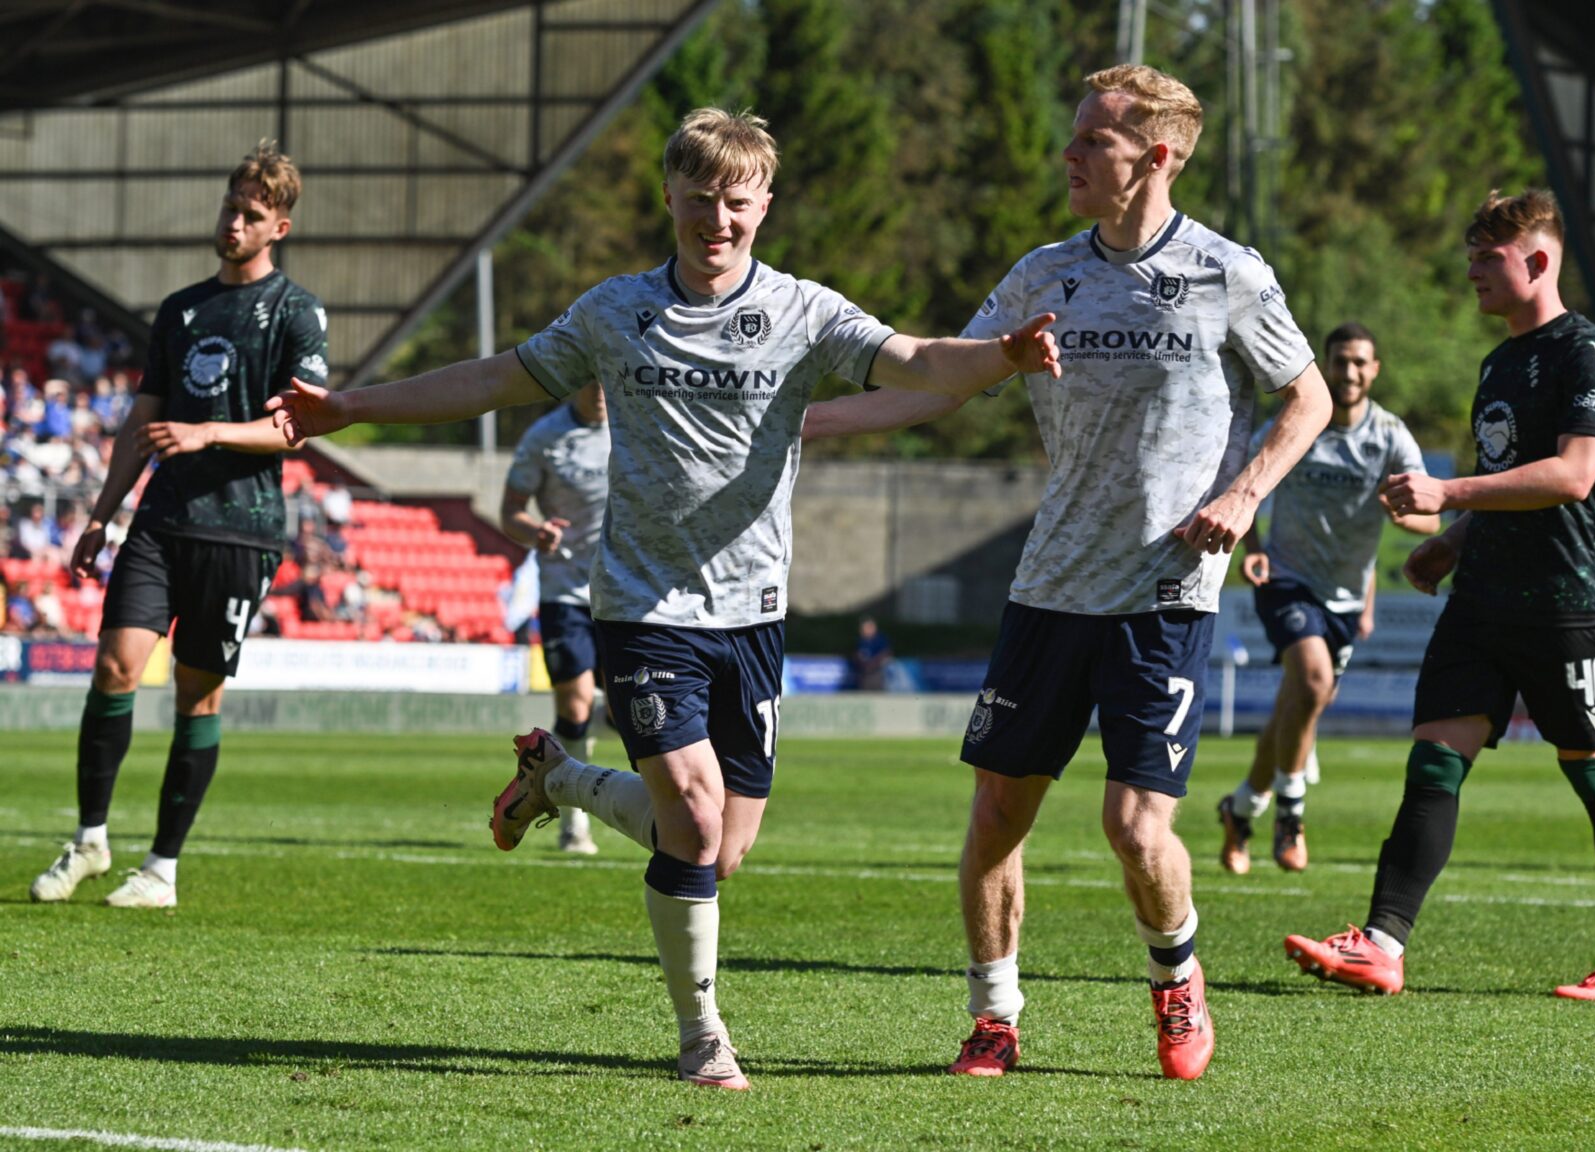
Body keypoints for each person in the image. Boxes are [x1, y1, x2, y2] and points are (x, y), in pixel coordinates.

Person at [265, 107, 1059, 1090]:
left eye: (736, 202)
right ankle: (702, 1034)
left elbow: (923, 362)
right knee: (689, 811)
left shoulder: (806, 310)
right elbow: (493, 379)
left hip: (755, 616)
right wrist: (351, 405)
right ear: (670, 199)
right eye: (699, 201)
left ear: (764, 205)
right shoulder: (613, 312)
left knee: (721, 851)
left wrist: (1003, 358)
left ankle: (557, 779)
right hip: (643, 606)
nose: (716, 221)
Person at [924, 65, 1331, 1082]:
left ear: (1156, 156)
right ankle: (994, 1018)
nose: (1068, 156)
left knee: (1135, 828)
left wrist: (1243, 496)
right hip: (1047, 587)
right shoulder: (1043, 272)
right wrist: (804, 409)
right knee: (996, 819)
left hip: (1164, 592)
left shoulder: (1227, 272)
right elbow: (946, 372)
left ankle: (1177, 976)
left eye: (1091, 142)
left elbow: (1308, 399)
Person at [1284, 188, 1595, 1003]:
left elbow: (1574, 475)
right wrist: (1453, 546)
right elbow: (1502, 482)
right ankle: (1382, 943)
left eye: (1487, 258)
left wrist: (1449, 498)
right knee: (1434, 761)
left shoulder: (1588, 354)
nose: (1471, 272)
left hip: (1565, 601)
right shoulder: (1498, 362)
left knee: (1594, 772)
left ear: (1538, 260)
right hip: (1482, 602)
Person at [29, 140, 327, 911]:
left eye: (251, 214)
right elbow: (142, 422)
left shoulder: (296, 313)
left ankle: (161, 867)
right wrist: (100, 518)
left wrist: (210, 433)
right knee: (115, 667)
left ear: (279, 229)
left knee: (196, 696)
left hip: (243, 529)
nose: (233, 222)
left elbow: (299, 428)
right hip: (160, 521)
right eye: (230, 206)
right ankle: (91, 838)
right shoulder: (181, 309)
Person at [1218, 323, 1439, 874]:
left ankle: (1241, 808)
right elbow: (1244, 479)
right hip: (1287, 580)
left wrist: (1405, 514)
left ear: (1375, 369)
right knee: (1312, 681)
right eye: (1340, 361)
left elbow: (1433, 514)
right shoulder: (1299, 422)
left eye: (1360, 363)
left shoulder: (1390, 436)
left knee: (1300, 702)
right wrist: (1252, 546)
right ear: (1327, 363)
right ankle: (1290, 816)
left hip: (1343, 599)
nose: (1350, 373)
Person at [500, 379, 610, 855]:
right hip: (566, 590)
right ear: (574, 382)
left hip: (630, 591)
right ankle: (574, 823)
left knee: (638, 712)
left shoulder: (642, 423)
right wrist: (536, 532)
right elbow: (510, 513)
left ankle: (555, 764)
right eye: (593, 378)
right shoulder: (545, 436)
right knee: (576, 703)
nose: (604, 388)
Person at [849, 615, 892, 690]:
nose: (862, 630)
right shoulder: (861, 641)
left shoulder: (880, 639)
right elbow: (857, 655)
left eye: (865, 628)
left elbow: (885, 654)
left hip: (876, 673)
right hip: (864, 674)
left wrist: (872, 664)